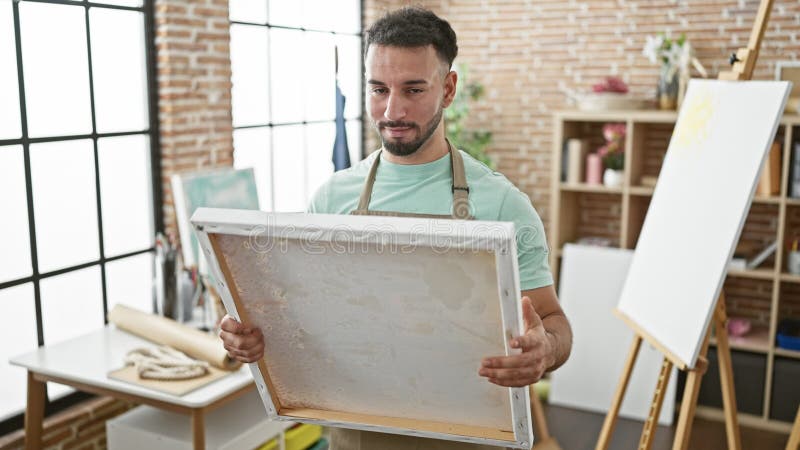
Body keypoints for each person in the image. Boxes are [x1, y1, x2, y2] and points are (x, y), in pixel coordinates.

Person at [219, 6, 572, 450]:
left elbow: (555, 322)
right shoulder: (332, 198)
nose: (392, 110)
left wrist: (544, 352)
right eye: (378, 89)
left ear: (448, 89)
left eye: (413, 90)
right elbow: (300, 320)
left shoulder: (503, 204)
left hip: (469, 434)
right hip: (356, 432)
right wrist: (251, 337)